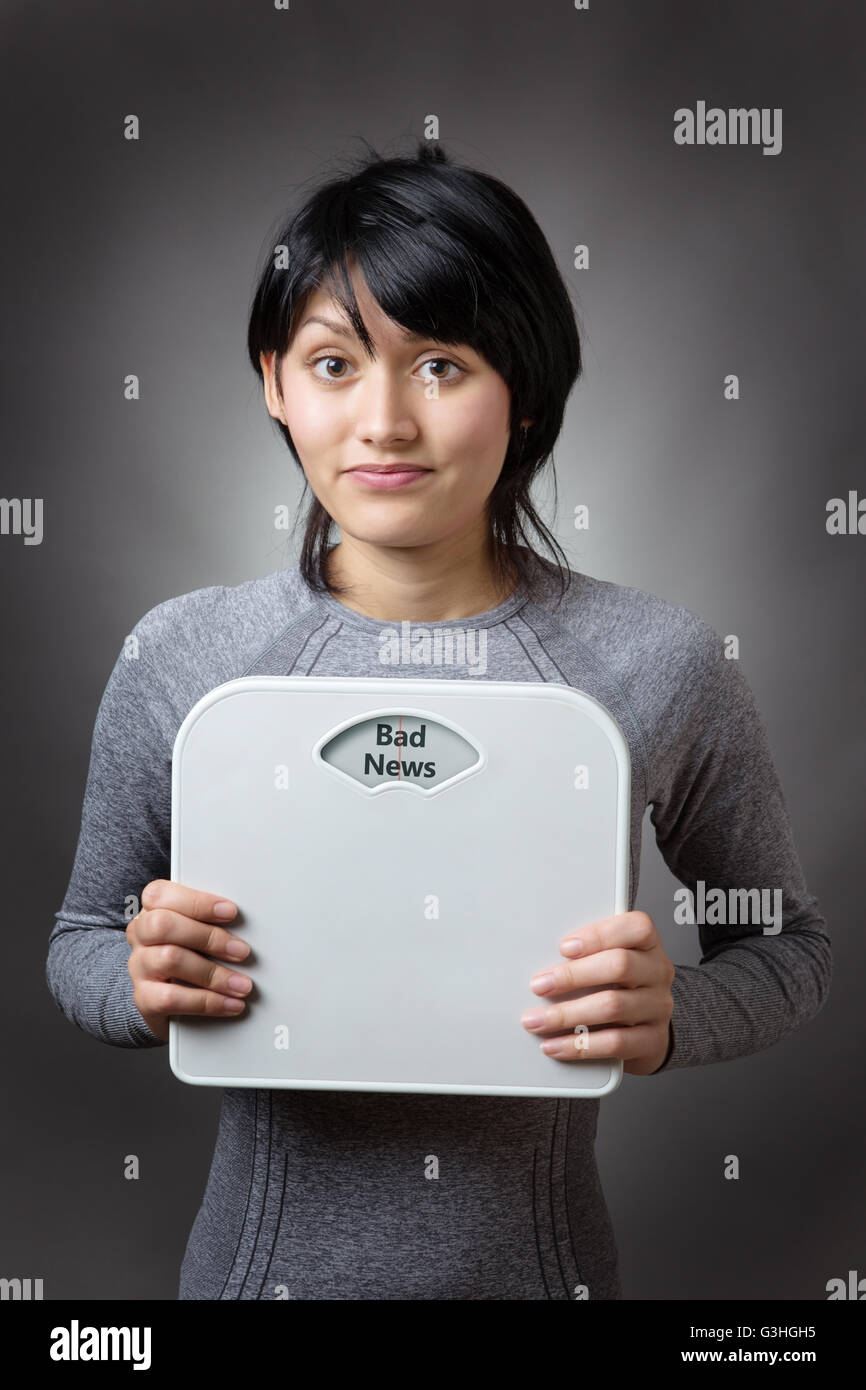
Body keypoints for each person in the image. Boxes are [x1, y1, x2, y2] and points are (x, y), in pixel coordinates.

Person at [46, 139, 831, 1300]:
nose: (381, 422)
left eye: (440, 366)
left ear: (523, 388)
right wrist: (141, 982)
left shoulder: (658, 660)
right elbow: (78, 944)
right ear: (272, 380)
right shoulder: (182, 655)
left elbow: (789, 948)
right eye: (330, 363)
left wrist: (670, 1013)